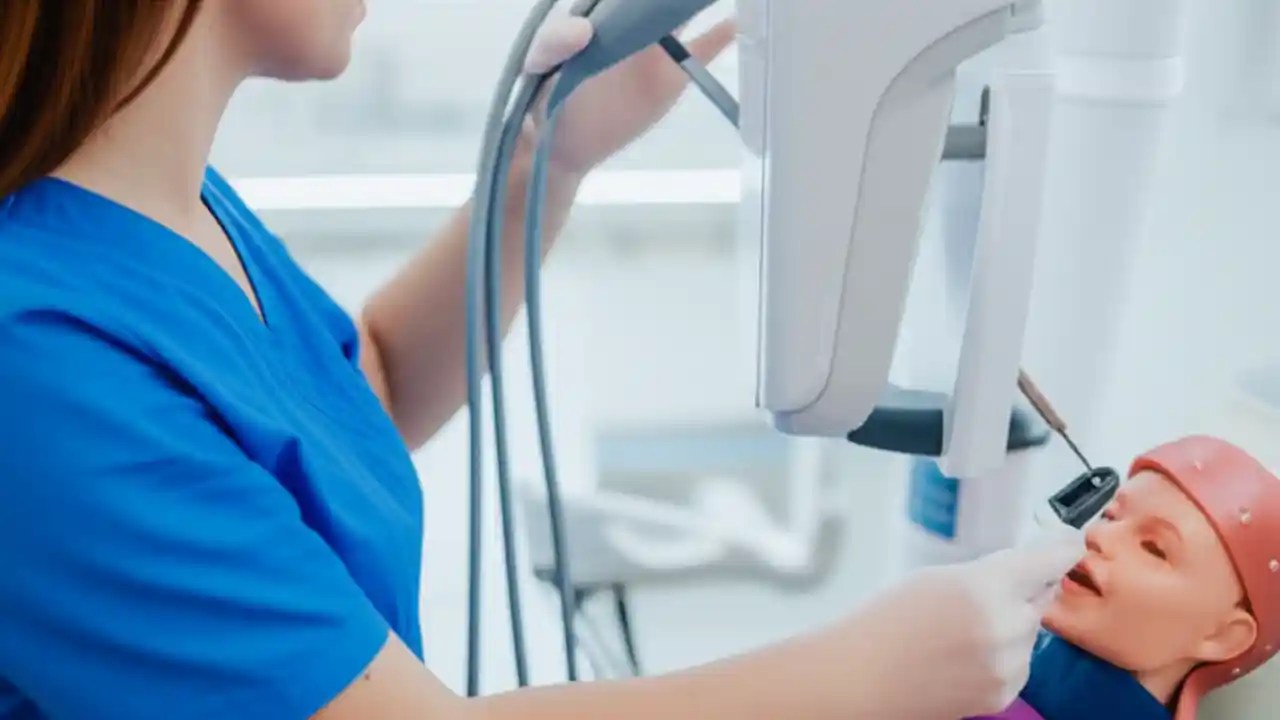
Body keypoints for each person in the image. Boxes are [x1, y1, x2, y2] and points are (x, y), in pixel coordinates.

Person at [0, 2, 1084, 718]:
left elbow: (348, 393)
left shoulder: (165, 213)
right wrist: (866, 674)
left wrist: (546, 159)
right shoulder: (35, 363)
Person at [968, 435, 1280, 720]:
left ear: (1222, 636)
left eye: (1154, 549)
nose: (1098, 535)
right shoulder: (990, 659)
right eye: (1110, 515)